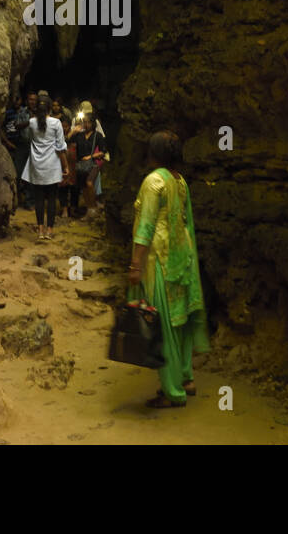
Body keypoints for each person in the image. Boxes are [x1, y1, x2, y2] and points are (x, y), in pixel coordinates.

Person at [128, 131, 208, 408]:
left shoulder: (154, 181)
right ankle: (186, 377)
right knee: (181, 320)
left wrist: (135, 265)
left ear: (154, 153)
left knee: (162, 325)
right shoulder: (180, 180)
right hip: (181, 256)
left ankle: (173, 391)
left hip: (159, 260)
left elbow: (146, 226)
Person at [20, 96, 68, 240]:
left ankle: (40, 230)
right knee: (52, 199)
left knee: (39, 199)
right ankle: (50, 230)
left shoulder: (32, 122)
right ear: (49, 108)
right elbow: (60, 147)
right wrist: (65, 166)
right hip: (52, 165)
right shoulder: (56, 123)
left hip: (37, 165)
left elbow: (24, 132)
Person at [71, 113, 106, 218]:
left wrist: (91, 156)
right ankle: (89, 209)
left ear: (93, 123)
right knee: (84, 187)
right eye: (84, 122)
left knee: (89, 183)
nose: (86, 124)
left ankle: (94, 207)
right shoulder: (79, 135)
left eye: (88, 122)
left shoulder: (97, 135)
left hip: (93, 164)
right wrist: (73, 132)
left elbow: (103, 151)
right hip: (80, 165)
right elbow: (69, 143)